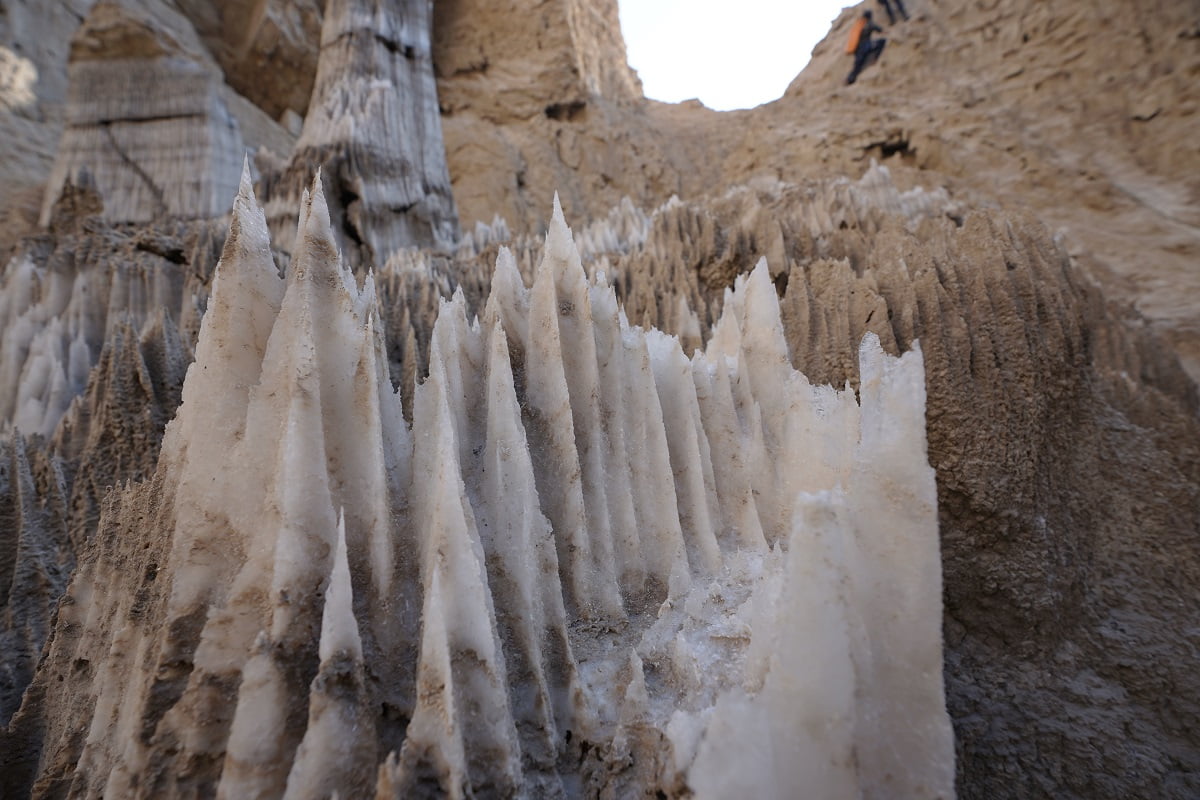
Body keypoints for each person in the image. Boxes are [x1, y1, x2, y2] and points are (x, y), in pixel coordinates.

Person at [846, 10, 885, 85]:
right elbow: (879, 29)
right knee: (882, 42)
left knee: (857, 65)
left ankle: (850, 80)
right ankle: (875, 58)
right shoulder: (869, 24)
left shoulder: (859, 24)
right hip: (866, 46)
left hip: (857, 49)